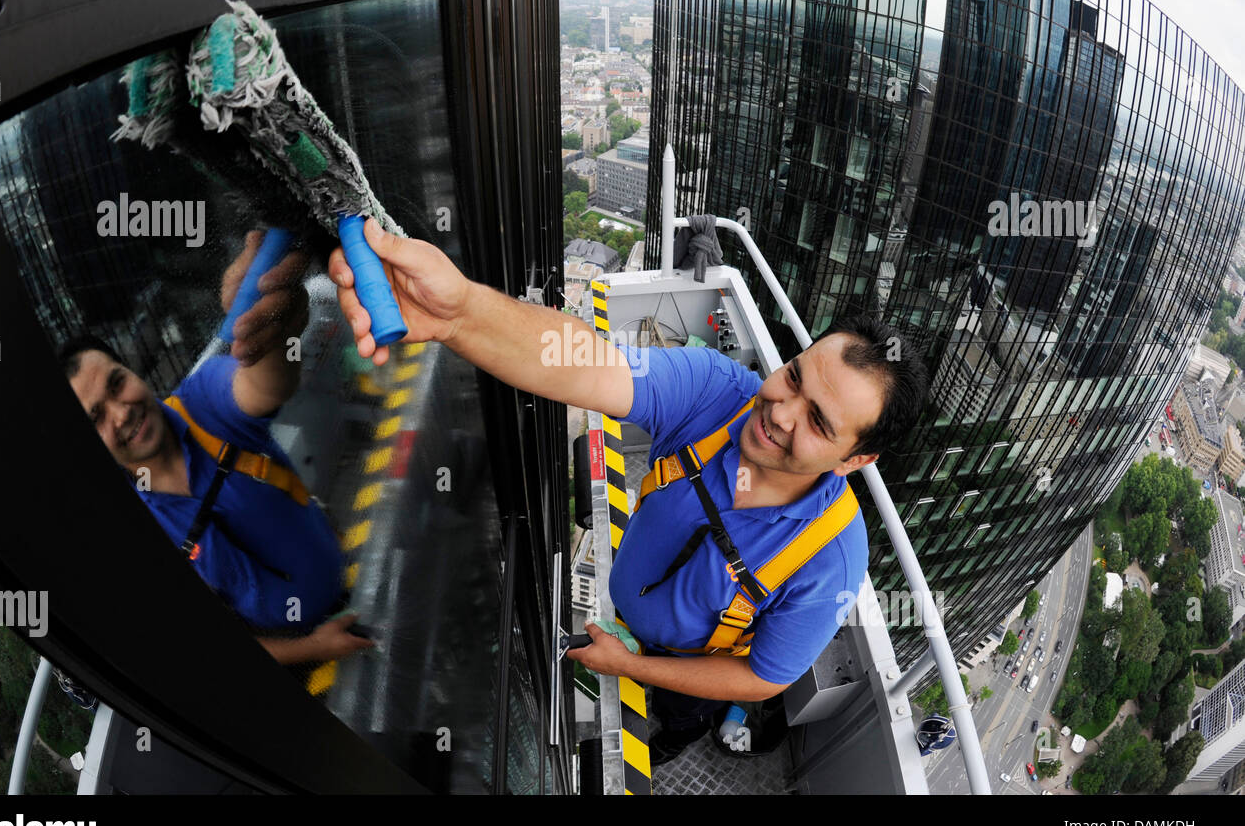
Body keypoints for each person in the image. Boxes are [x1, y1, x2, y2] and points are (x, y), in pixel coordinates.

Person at [329, 220, 929, 763]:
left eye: (818, 422)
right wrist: (460, 315)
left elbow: (765, 676)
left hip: (688, 667)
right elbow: (589, 363)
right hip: (623, 613)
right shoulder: (719, 394)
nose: (779, 412)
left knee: (671, 728)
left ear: (857, 459)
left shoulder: (831, 559)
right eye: (793, 376)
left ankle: (671, 741)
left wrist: (633, 667)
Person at [63, 230, 372, 667]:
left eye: (118, 383)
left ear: (134, 372)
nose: (122, 412)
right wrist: (315, 648)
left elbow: (263, 386)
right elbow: (209, 641)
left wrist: (264, 327)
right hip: (295, 666)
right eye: (96, 417)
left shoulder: (201, 403)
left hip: (351, 596)